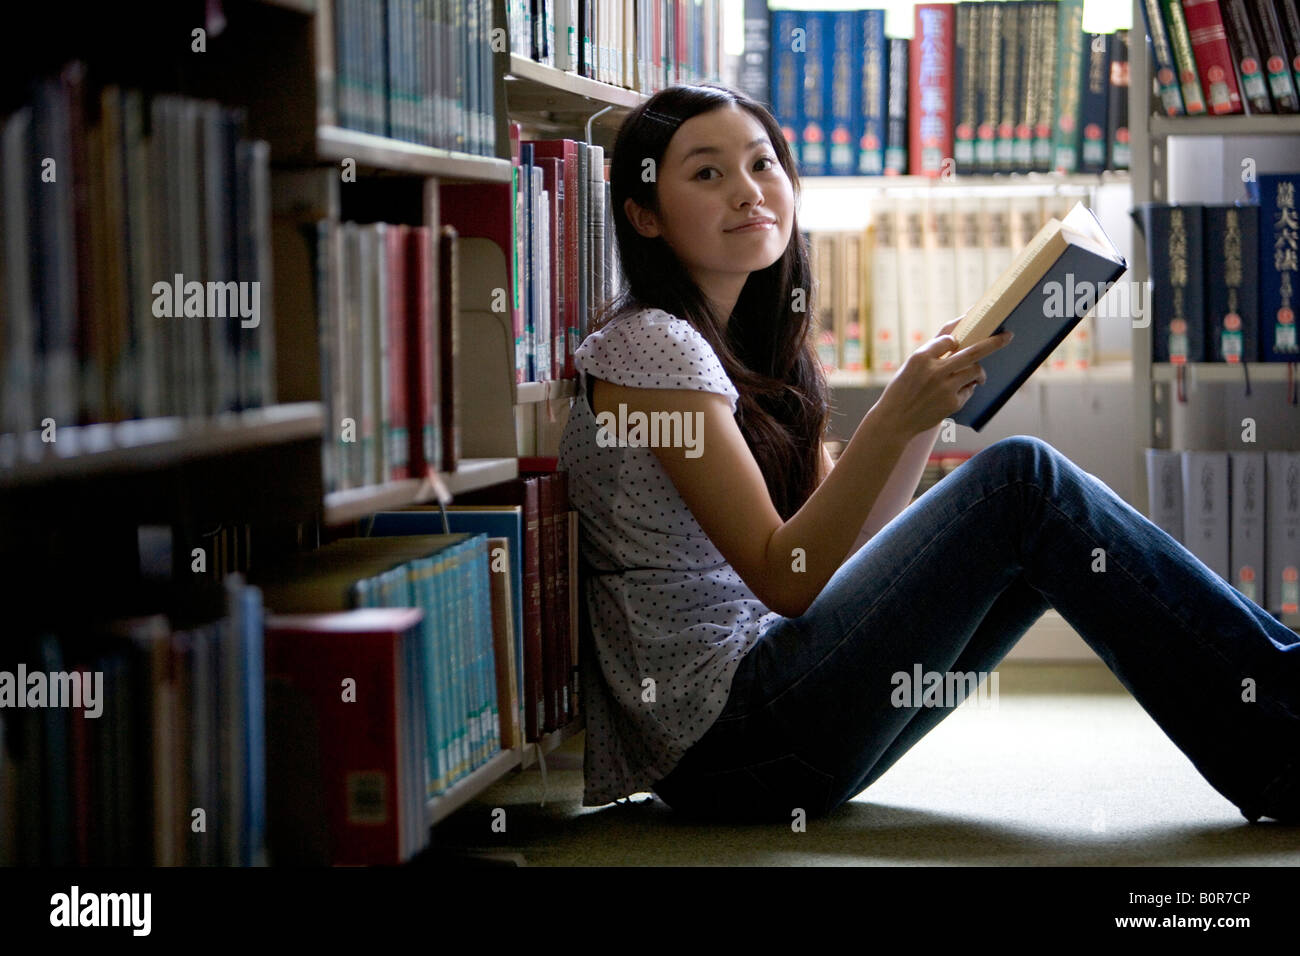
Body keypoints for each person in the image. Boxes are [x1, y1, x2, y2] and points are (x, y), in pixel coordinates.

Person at [555, 83, 1300, 826]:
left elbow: (843, 571)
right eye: (708, 174)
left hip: (771, 724)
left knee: (1028, 523)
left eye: (763, 164)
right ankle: (1286, 733)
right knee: (1022, 481)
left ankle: (1282, 734)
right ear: (644, 215)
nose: (750, 193)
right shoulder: (651, 342)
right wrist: (889, 418)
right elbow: (788, 580)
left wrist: (919, 419)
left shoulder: (753, 350)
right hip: (732, 739)